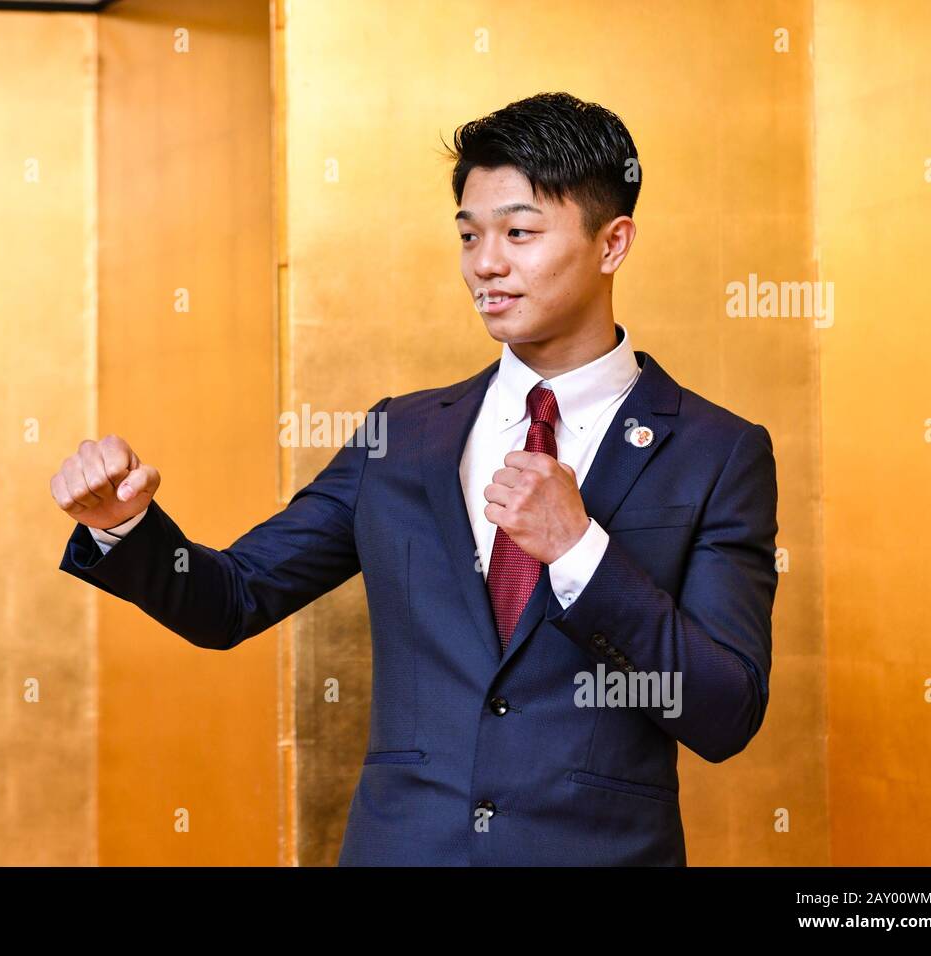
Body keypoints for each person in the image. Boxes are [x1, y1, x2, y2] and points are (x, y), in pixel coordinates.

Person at [50, 92, 778, 866]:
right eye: (469, 235)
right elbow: (231, 599)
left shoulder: (717, 452)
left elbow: (724, 711)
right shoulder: (399, 436)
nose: (486, 263)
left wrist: (579, 552)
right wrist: (123, 526)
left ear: (612, 243)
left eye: (520, 232)